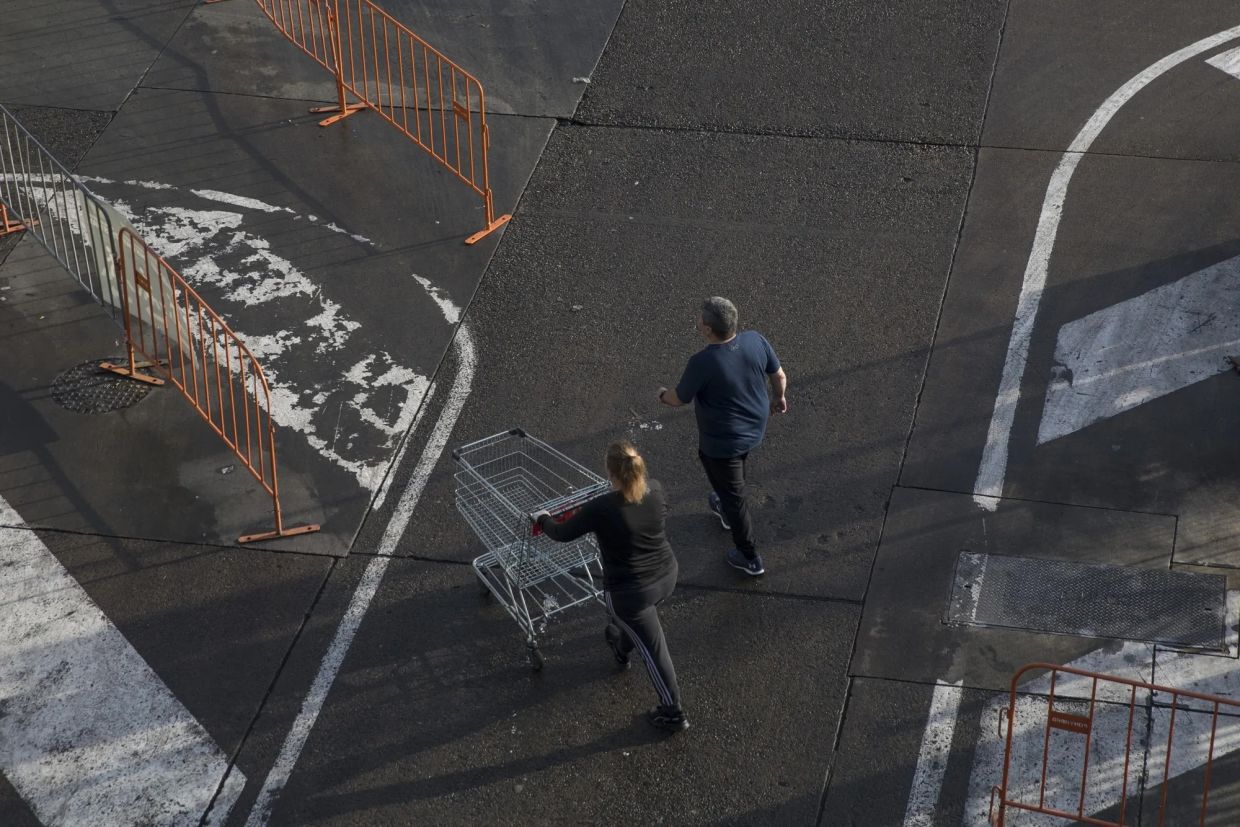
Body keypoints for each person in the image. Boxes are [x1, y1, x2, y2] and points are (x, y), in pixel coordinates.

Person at [533, 441, 687, 733]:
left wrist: (542, 519)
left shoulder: (602, 508)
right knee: (638, 629)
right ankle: (620, 648)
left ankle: (673, 712)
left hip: (631, 594)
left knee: (654, 652)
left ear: (611, 473)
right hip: (667, 575)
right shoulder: (655, 490)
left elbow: (561, 533)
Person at [657, 296, 787, 576]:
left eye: (701, 319)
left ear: (708, 330)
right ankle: (724, 501)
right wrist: (779, 398)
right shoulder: (755, 340)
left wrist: (661, 395)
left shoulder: (703, 362)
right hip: (754, 427)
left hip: (723, 443)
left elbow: (678, 398)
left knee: (735, 499)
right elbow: (779, 375)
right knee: (731, 480)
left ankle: (749, 556)